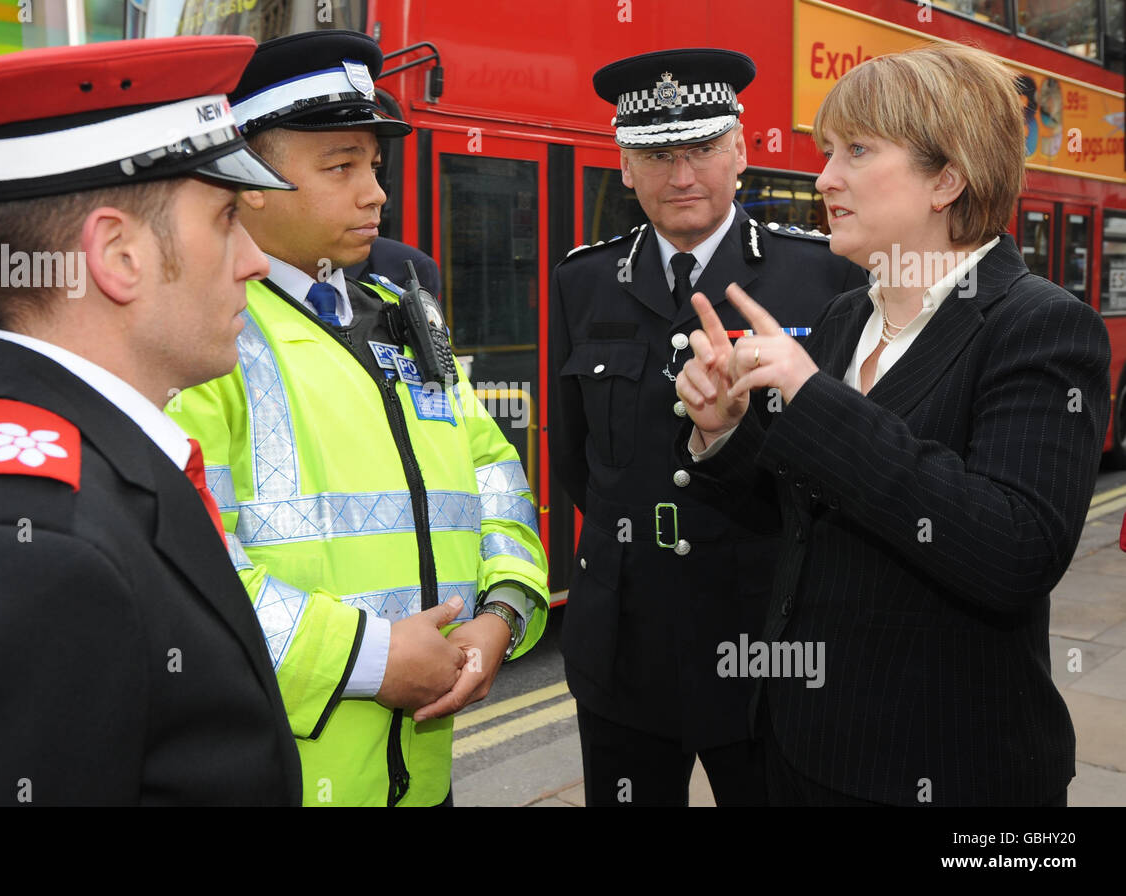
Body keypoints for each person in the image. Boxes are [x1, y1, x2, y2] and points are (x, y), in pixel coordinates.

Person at [0, 36, 304, 806]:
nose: (252, 258)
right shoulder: (26, 555)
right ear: (118, 256)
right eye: (224, 218)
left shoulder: (88, 471)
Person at [676, 44, 1110, 806]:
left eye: (858, 151)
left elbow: (1014, 550)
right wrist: (725, 432)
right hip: (800, 753)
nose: (824, 179)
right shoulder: (848, 317)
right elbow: (799, 520)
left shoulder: (1041, 326)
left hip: (952, 768)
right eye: (829, 152)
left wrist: (816, 405)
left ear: (947, 178)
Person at [169, 30, 550, 807]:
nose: (375, 192)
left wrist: (502, 615)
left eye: (373, 164)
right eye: (339, 166)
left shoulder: (405, 312)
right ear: (246, 182)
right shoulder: (204, 336)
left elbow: (491, 469)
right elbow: (188, 564)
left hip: (424, 781)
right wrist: (369, 660)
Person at [548, 48, 867, 807]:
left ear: (742, 151)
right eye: (657, 155)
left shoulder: (823, 275)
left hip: (763, 644)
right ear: (624, 165)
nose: (681, 176)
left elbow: (845, 449)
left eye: (700, 150)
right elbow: (575, 460)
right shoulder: (582, 280)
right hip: (625, 650)